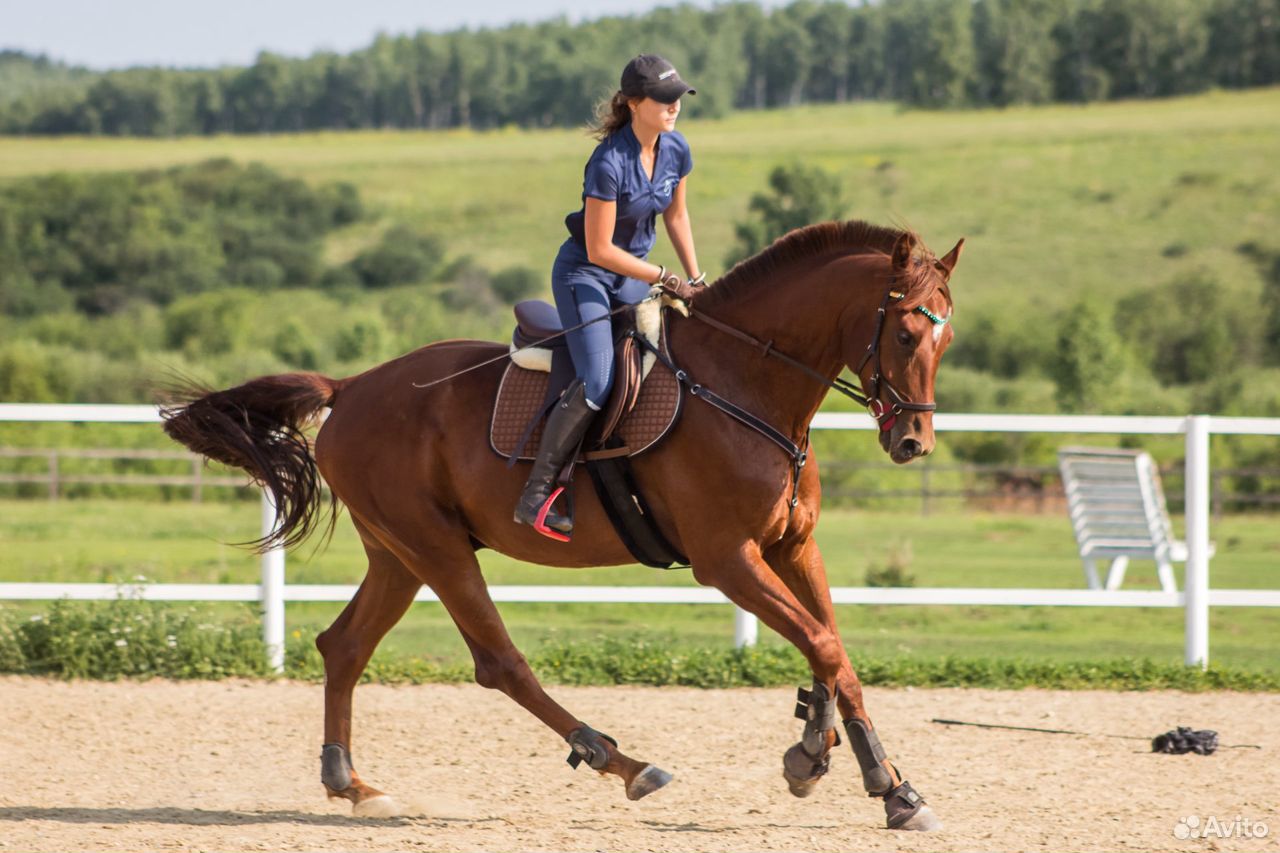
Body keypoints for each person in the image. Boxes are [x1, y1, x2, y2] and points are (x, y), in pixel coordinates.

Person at [514, 54, 705, 541]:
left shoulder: (676, 149)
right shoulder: (607, 162)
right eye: (663, 99)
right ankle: (537, 494)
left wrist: (695, 277)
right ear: (634, 103)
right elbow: (600, 249)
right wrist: (664, 275)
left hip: (633, 277)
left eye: (677, 97)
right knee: (598, 379)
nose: (674, 106)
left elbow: (676, 218)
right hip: (586, 276)